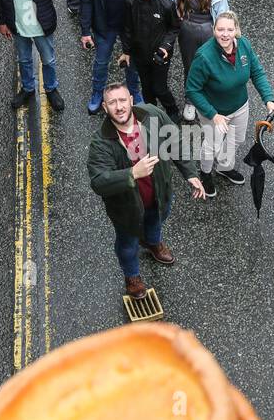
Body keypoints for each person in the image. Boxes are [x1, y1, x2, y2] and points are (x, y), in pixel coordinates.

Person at [87, 81, 204, 297]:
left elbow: (175, 141)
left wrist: (190, 173)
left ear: (131, 100)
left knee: (156, 221)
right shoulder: (101, 143)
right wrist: (132, 173)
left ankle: (152, 243)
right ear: (105, 108)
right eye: (112, 103)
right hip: (127, 210)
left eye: (122, 100)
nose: (119, 107)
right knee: (128, 245)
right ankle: (132, 276)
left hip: (160, 196)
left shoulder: (153, 115)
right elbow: (99, 181)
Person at [185, 12, 274, 196]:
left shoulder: (244, 45)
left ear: (236, 31)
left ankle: (224, 167)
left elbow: (257, 72)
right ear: (214, 30)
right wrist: (213, 114)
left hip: (240, 106)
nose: (225, 34)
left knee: (236, 140)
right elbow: (192, 89)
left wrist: (269, 100)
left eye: (230, 29)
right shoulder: (204, 56)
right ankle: (205, 174)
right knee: (212, 145)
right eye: (220, 29)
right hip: (214, 112)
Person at [163, 0, 231, 119]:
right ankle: (191, 100)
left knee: (213, 65)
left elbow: (225, 16)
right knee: (191, 66)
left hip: (210, 31)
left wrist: (226, 36)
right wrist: (174, 12)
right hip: (187, 32)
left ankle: (212, 98)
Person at [120, 0, 182, 115]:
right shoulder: (130, 1)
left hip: (160, 55)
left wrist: (165, 46)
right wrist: (126, 52)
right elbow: (127, 28)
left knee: (160, 88)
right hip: (140, 55)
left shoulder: (166, 4)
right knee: (147, 90)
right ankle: (152, 115)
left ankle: (173, 111)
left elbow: (174, 27)